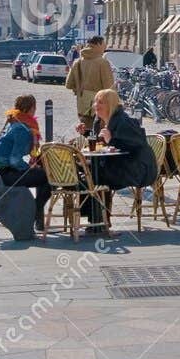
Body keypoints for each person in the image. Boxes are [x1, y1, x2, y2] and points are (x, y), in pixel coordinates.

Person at [82, 89, 158, 232]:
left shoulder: (124, 121)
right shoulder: (100, 121)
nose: (96, 105)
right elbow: (99, 142)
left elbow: (136, 144)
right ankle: (97, 220)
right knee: (87, 172)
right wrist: (85, 133)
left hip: (136, 168)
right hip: (117, 164)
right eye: (95, 101)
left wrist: (112, 140)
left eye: (101, 102)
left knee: (97, 176)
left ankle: (100, 221)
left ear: (110, 105)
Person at [0, 95, 49, 233]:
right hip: (6, 173)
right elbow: (14, 160)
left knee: (41, 175)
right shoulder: (23, 129)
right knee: (48, 178)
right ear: (31, 109)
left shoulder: (12, 121)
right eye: (34, 108)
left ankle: (37, 218)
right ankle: (35, 213)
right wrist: (29, 168)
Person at [64, 36, 115, 134]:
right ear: (98, 44)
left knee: (85, 135)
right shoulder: (102, 62)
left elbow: (68, 84)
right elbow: (109, 88)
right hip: (100, 106)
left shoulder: (77, 62)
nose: (105, 46)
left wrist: (81, 89)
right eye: (104, 44)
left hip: (82, 106)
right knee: (100, 137)